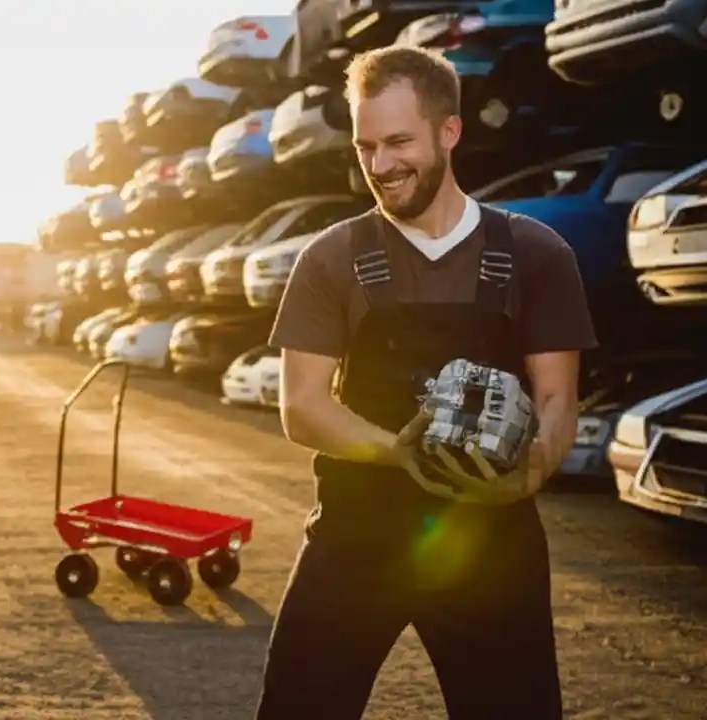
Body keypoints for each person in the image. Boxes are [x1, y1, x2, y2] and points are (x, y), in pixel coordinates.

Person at [253, 45, 597, 719]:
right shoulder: (331, 257)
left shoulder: (535, 254)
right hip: (355, 536)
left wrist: (527, 475)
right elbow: (301, 405)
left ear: (449, 131)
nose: (381, 166)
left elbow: (558, 399)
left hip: (491, 545)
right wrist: (395, 449)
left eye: (399, 142)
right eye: (366, 147)